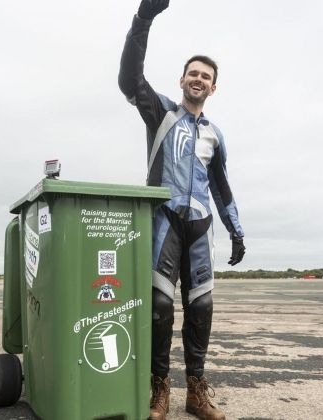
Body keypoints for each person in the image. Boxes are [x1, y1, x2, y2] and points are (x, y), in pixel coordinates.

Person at [118, 1, 246, 419]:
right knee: (158, 309)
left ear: (213, 88)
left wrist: (236, 230)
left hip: (201, 229)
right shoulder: (161, 113)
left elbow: (222, 186)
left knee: (202, 309)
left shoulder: (215, 134)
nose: (199, 79)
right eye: (193, 73)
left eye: (206, 76)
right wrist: (144, 18)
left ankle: (195, 391)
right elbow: (129, 79)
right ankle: (159, 390)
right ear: (182, 80)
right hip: (163, 223)